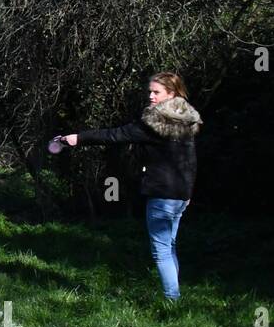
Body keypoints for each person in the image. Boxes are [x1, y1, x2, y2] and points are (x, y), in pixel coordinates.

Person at [57, 72, 201, 301]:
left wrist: (79, 138)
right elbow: (189, 161)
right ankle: (175, 300)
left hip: (162, 194)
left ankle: (172, 300)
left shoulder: (155, 123)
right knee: (169, 245)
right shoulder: (186, 121)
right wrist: (188, 192)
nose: (151, 96)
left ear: (171, 93)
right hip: (180, 195)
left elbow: (116, 135)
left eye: (156, 92)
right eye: (150, 91)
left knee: (161, 250)